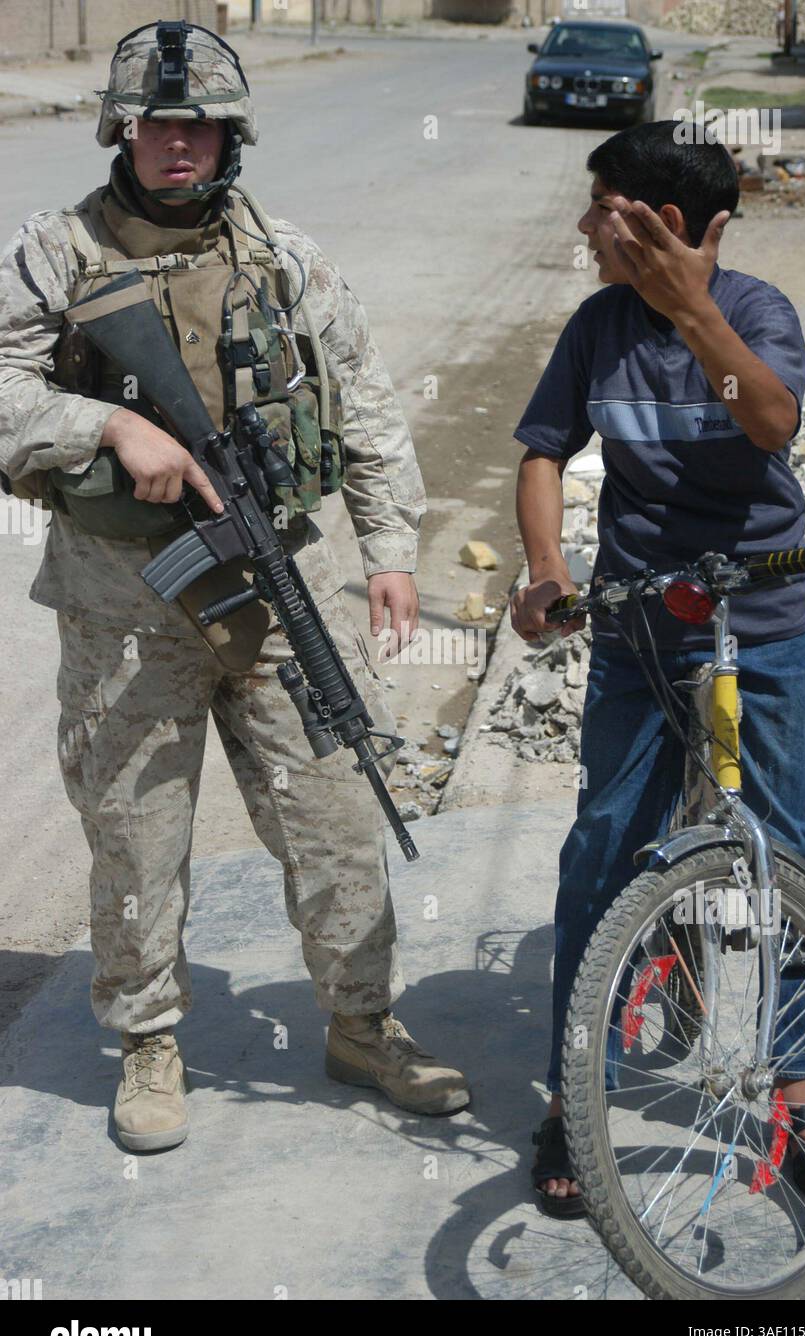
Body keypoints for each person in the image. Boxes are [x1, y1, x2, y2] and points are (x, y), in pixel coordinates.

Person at [0, 21, 470, 1152]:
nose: (181, 145)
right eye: (160, 124)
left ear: (232, 136)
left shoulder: (283, 256)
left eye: (202, 127)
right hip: (125, 602)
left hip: (274, 586)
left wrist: (390, 549)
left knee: (336, 811)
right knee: (136, 832)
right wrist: (107, 425)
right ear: (122, 130)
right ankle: (149, 1040)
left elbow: (364, 400)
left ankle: (362, 1023)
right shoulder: (53, 253)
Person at [510, 121, 805, 1217]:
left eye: (604, 210)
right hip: (639, 625)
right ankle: (578, 1088)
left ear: (672, 225)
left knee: (786, 853)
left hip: (762, 621)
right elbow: (544, 451)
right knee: (604, 847)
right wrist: (546, 568)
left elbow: (771, 422)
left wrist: (693, 310)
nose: (584, 227)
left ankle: (798, 1090)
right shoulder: (596, 328)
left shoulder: (756, 313)